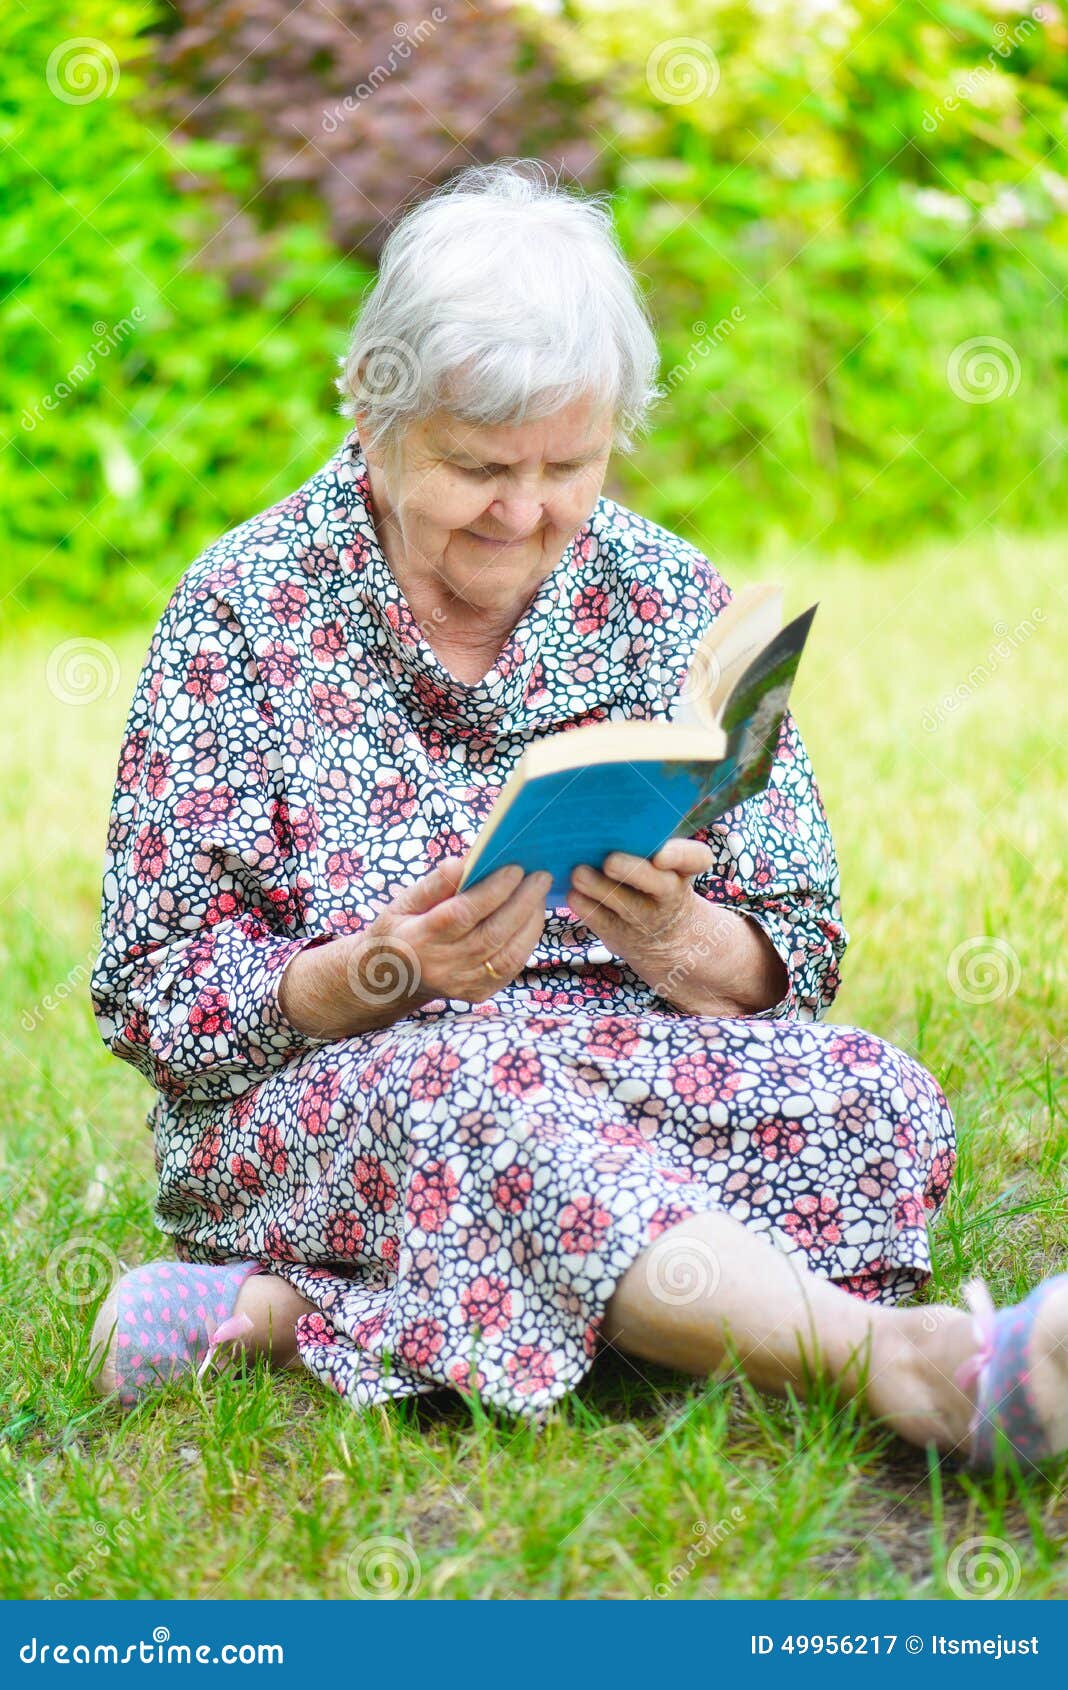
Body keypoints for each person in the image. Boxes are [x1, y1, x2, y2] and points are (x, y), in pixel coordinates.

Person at [88, 159, 1067, 1471]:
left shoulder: (663, 590)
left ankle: (288, 1309)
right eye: (480, 466)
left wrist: (679, 942)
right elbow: (152, 994)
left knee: (876, 1104)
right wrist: (391, 969)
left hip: (620, 1062)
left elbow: (800, 943)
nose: (530, 512)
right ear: (368, 414)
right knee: (465, 1085)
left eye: (572, 464)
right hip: (345, 1089)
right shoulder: (241, 613)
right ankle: (892, 1356)